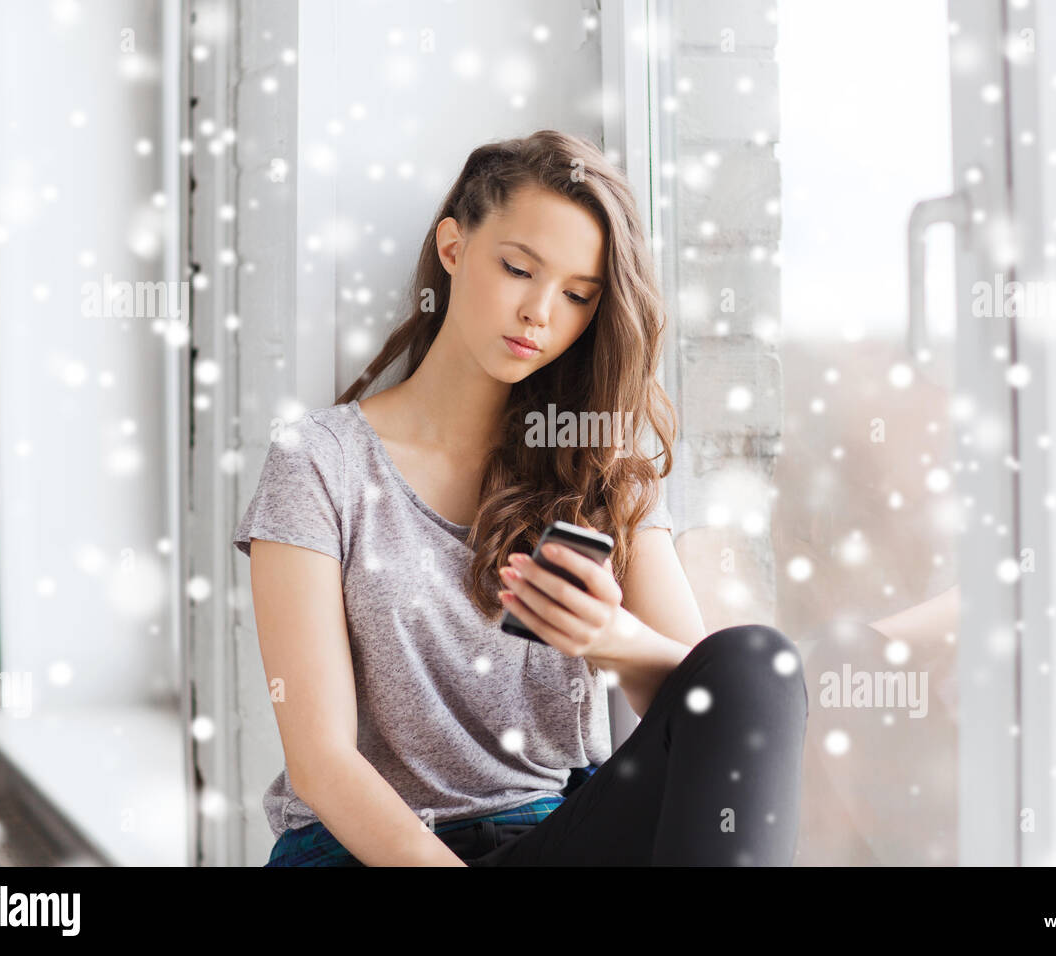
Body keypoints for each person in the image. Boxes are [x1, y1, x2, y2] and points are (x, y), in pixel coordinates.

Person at [234, 129, 809, 866]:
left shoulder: (600, 463)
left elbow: (706, 699)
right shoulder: (318, 462)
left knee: (757, 664)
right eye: (517, 269)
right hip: (366, 853)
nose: (541, 312)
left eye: (576, 295)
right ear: (453, 247)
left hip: (553, 834)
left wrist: (612, 640)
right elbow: (321, 764)